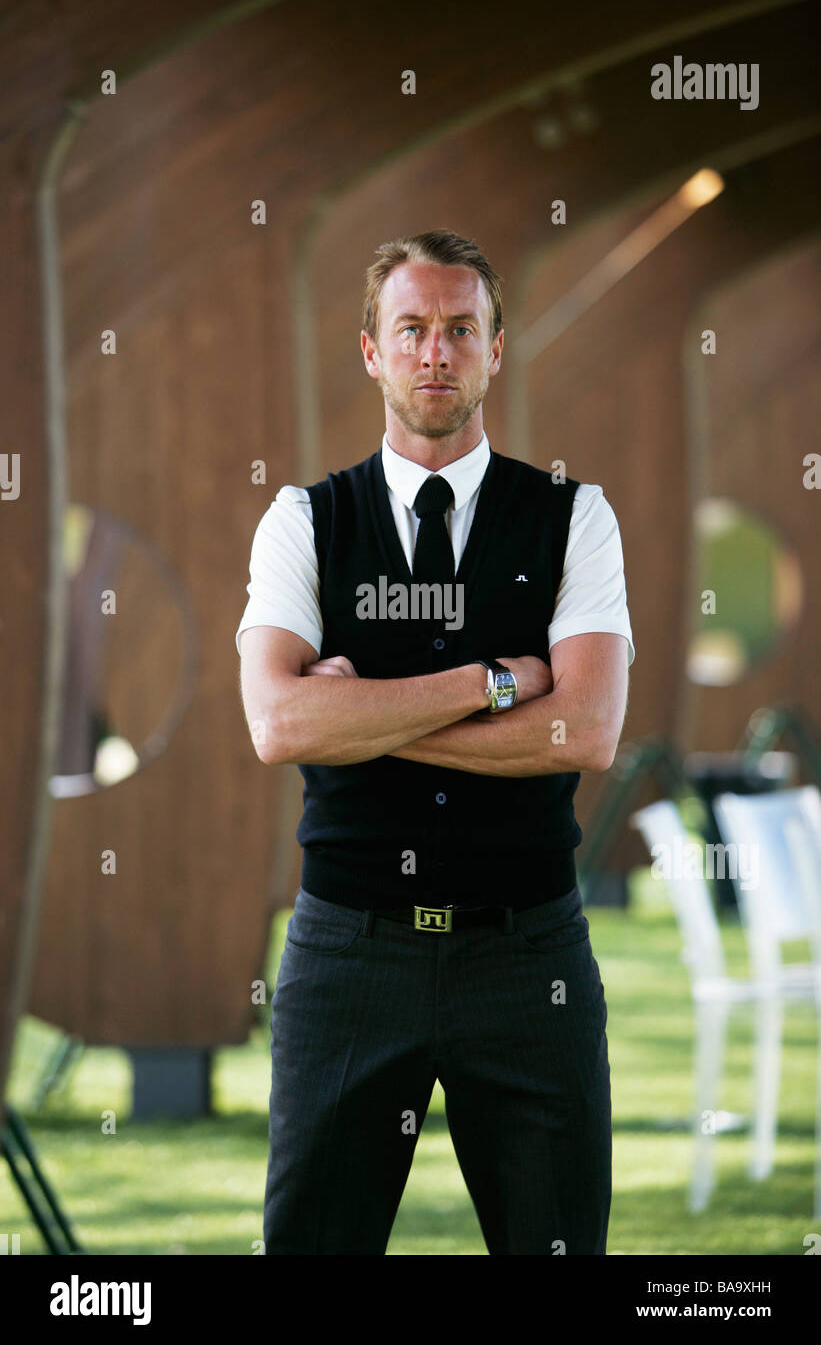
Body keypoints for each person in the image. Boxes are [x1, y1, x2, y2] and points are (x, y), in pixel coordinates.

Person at [236, 228, 634, 1255]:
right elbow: (278, 722)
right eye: (409, 328)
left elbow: (586, 729)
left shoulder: (574, 518)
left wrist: (360, 718)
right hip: (349, 954)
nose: (434, 351)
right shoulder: (302, 522)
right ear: (371, 351)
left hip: (528, 956)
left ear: (495, 350)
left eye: (460, 329)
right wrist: (488, 684)